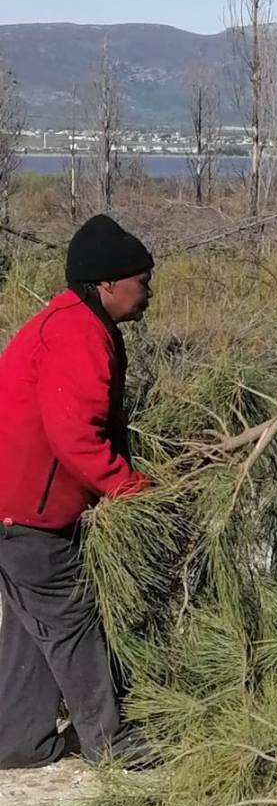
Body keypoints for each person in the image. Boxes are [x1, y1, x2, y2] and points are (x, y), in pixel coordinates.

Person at [0, 215, 155, 769]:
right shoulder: (77, 334)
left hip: (15, 511)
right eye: (142, 281)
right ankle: (111, 745)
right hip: (28, 515)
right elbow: (77, 439)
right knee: (73, 621)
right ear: (108, 283)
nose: (149, 292)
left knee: (31, 626)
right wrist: (131, 488)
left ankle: (19, 740)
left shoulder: (74, 320)